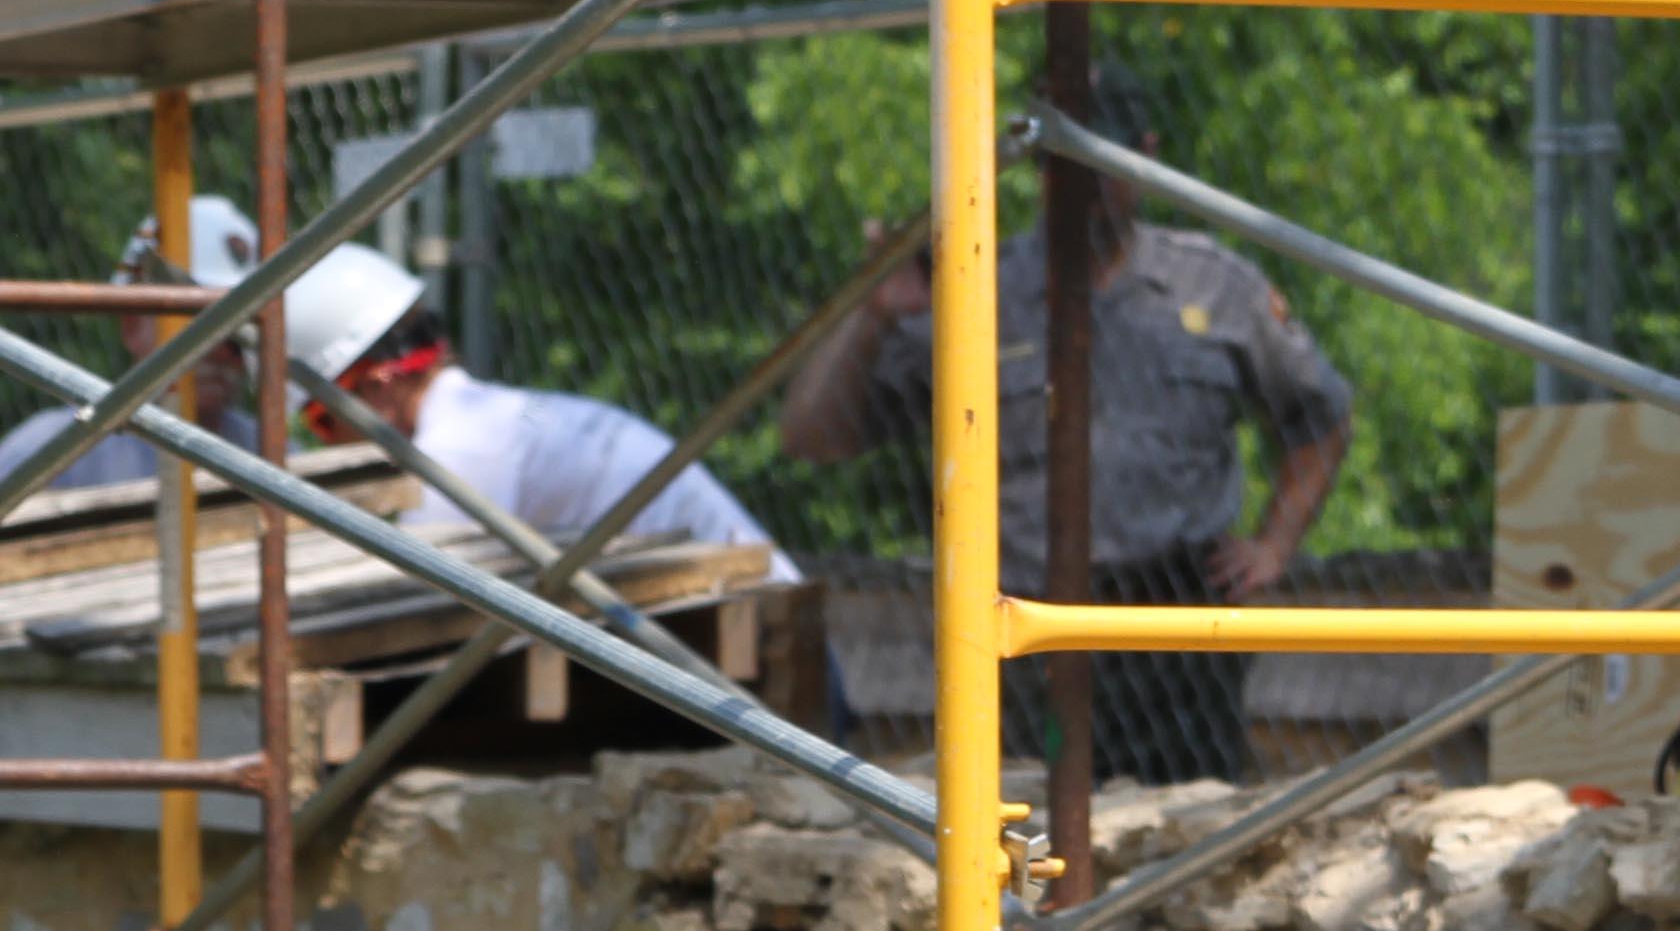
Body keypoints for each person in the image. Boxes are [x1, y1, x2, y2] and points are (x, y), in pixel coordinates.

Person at [775, 101, 1355, 784]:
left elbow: (1321, 417)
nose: (1075, 186)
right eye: (1057, 167)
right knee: (1032, 837)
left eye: (1097, 166)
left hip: (1177, 627)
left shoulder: (1215, 284)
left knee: (1183, 837)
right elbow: (813, 435)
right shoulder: (978, 287)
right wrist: (873, 309)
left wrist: (1275, 544)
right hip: (1023, 621)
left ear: (1144, 155)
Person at [245, 237, 794, 583]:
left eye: (323, 420)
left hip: (763, 650)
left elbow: (422, 591)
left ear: (379, 386)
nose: (326, 443)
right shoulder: (490, 421)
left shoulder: (462, 451)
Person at [0, 196, 264, 496]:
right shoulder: (55, 450)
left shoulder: (268, 454)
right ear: (132, 326)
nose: (221, 350)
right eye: (196, 323)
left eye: (236, 330)